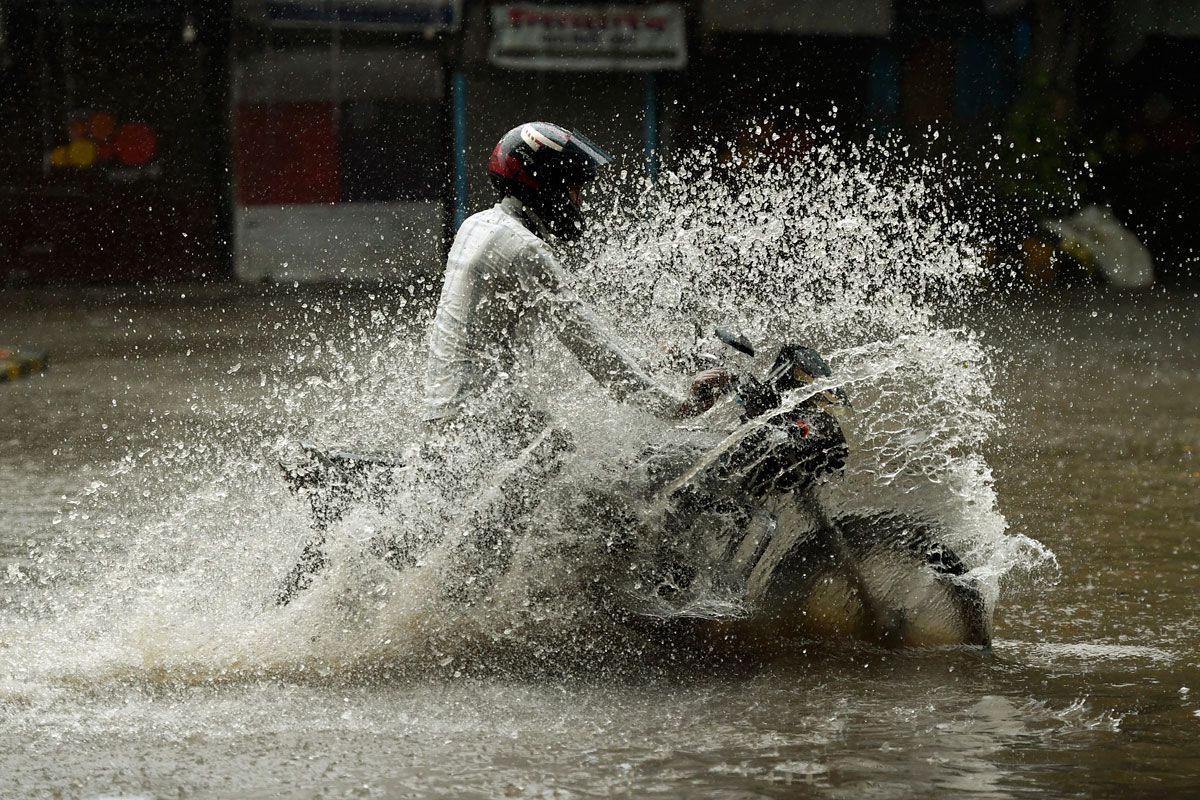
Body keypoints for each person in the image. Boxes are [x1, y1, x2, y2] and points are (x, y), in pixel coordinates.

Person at [417, 121, 730, 598]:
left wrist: (655, 357)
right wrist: (679, 404)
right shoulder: (524, 250)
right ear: (543, 187)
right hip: (482, 418)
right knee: (592, 473)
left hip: (455, 410)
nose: (580, 203)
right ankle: (475, 599)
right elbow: (600, 357)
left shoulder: (478, 225)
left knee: (575, 455)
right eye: (574, 190)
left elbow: (590, 327)